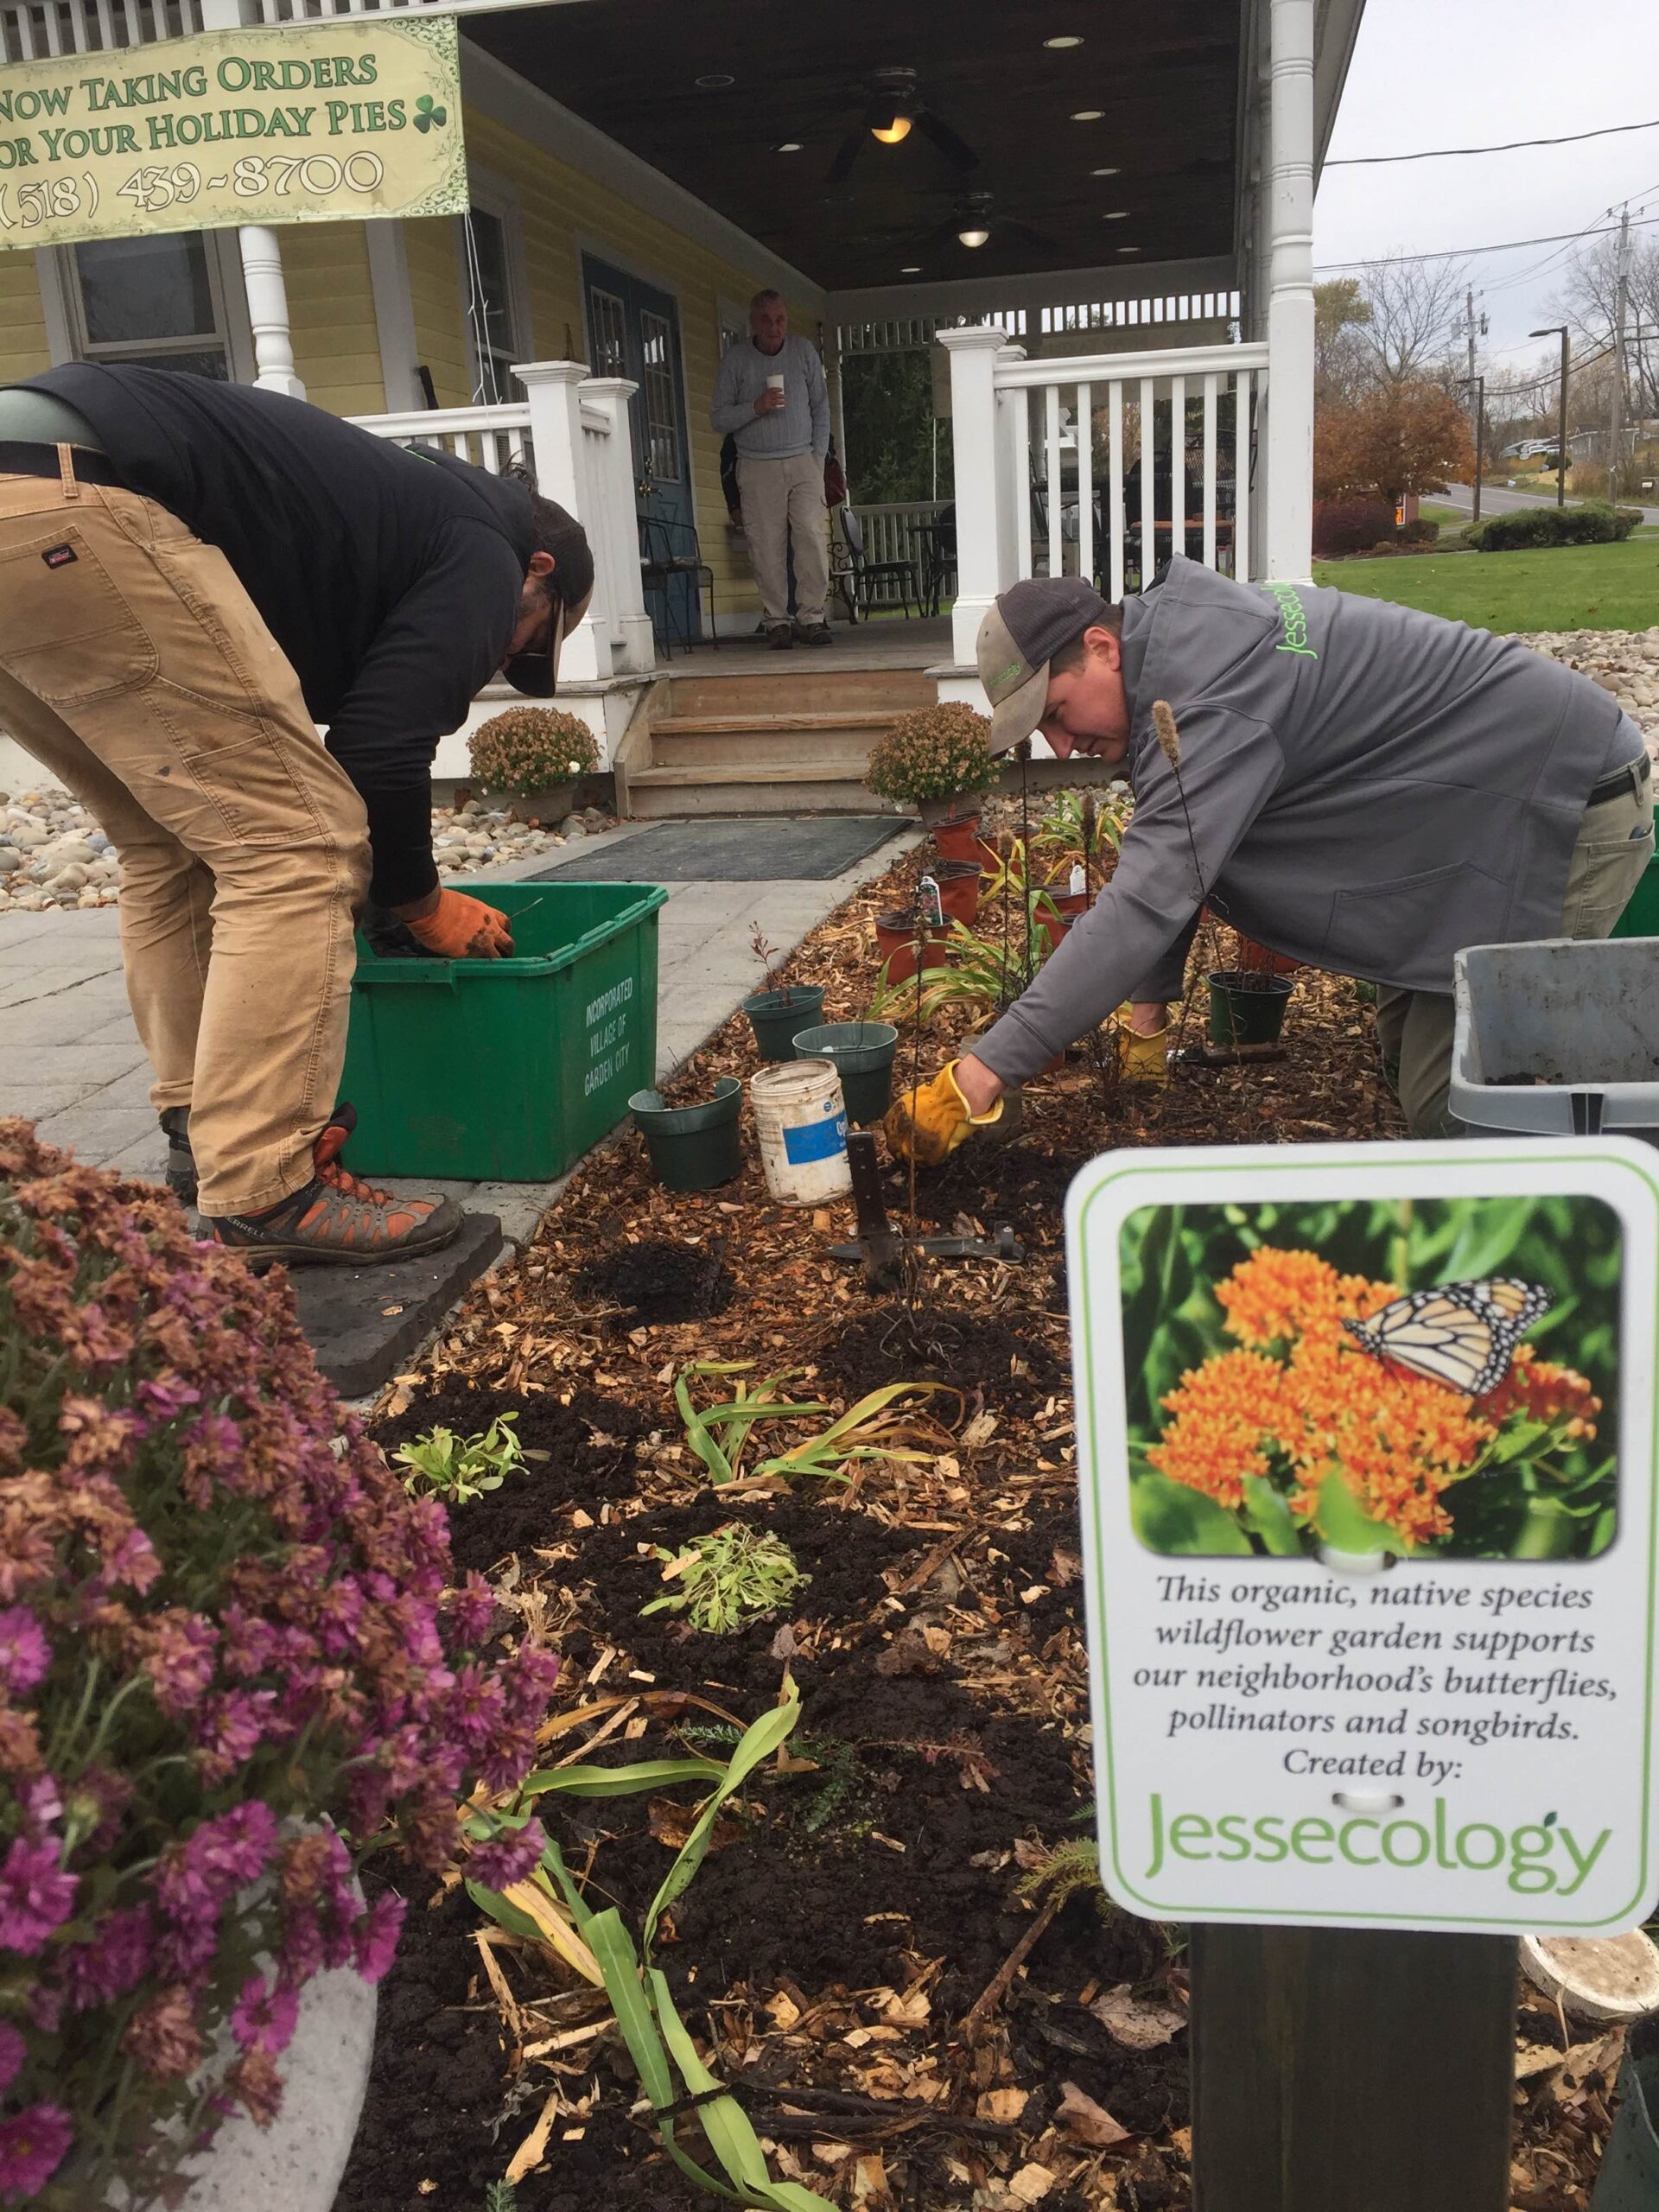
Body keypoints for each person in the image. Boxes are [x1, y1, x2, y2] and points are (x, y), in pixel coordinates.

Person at [0, 365, 594, 1262]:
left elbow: (359, 726)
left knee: (173, 846)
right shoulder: (487, 548)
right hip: (77, 498)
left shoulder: (401, 516)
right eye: (532, 638)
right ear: (537, 573)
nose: (507, 656)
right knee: (298, 844)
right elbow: (380, 752)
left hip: (33, 488)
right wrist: (421, 903)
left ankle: (202, 1134)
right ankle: (265, 1185)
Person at [886, 559, 1652, 1161]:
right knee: (1405, 1055)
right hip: (1468, 813)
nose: (1060, 745)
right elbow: (1183, 859)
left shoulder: (1211, 699)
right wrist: (1148, 1018)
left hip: (1559, 801)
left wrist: (980, 1075)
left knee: (1460, 1102)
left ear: (1101, 647)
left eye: (1056, 712)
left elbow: (1149, 900)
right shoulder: (1176, 645)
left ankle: (1593, 1236)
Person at [709, 289, 831, 649]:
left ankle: (812, 616)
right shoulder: (736, 361)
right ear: (753, 323)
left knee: (810, 538)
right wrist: (755, 407)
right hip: (756, 464)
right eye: (766, 319)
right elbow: (718, 417)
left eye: (780, 319)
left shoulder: (804, 352)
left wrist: (817, 457)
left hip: (803, 460)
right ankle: (776, 620)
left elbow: (821, 408)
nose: (774, 326)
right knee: (766, 546)